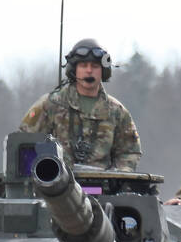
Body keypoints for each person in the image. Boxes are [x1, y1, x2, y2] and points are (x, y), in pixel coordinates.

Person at [19, 38, 141, 171]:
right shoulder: (50, 105)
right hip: (57, 186)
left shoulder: (116, 112)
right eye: (83, 66)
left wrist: (118, 175)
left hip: (103, 187)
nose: (89, 71)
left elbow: (129, 151)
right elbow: (23, 142)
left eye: (94, 66)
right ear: (74, 70)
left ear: (103, 71)